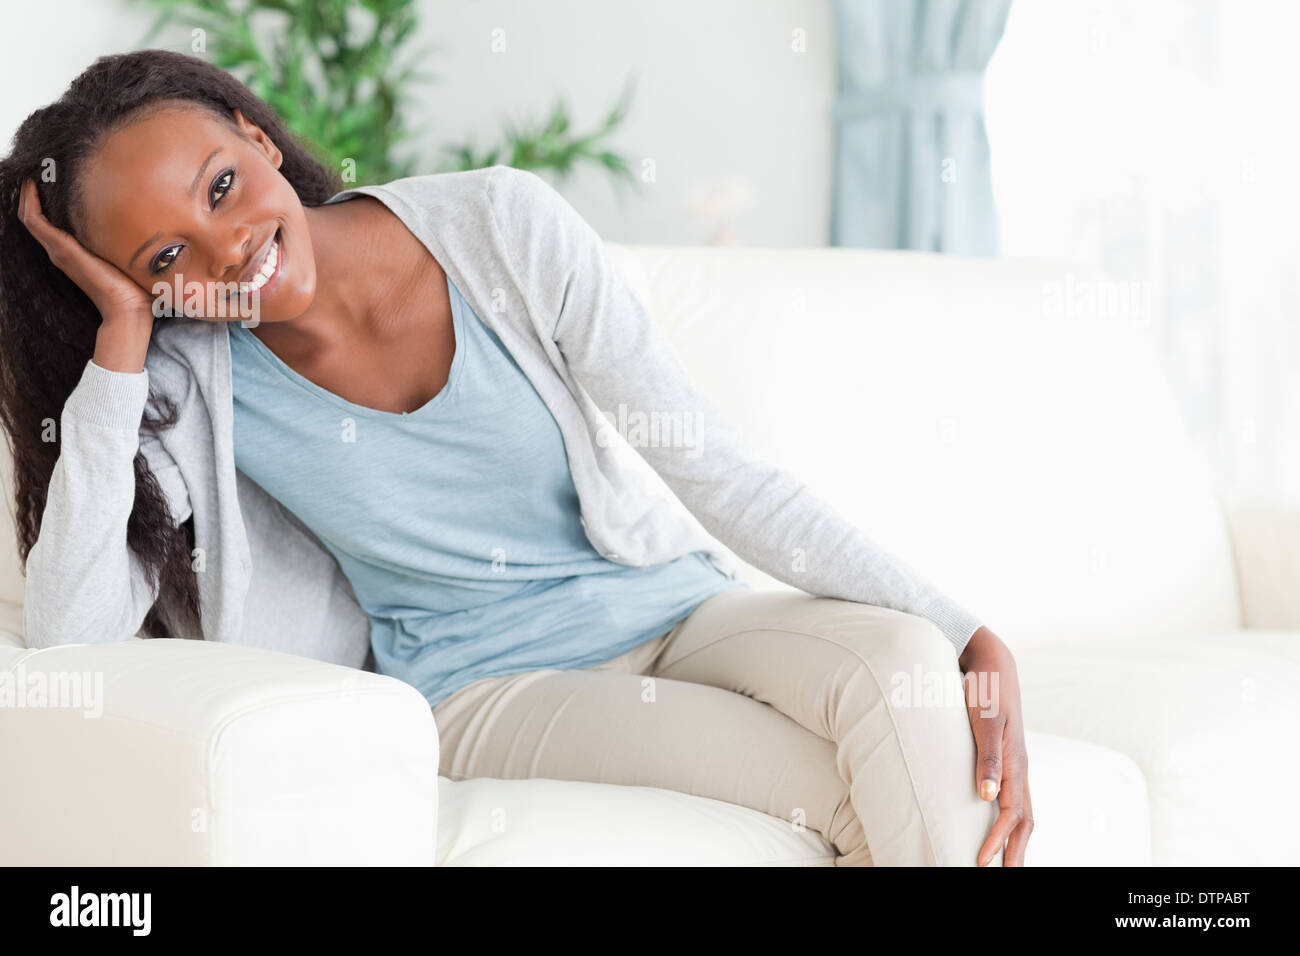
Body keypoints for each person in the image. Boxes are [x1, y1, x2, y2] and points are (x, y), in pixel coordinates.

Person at [0, 49, 1031, 866]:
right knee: (867, 781)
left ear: (258, 139)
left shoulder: (498, 226)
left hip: (672, 604)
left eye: (221, 185)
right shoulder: (185, 385)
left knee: (905, 667)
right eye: (164, 258)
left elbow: (716, 466)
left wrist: (961, 628)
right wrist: (124, 336)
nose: (225, 250)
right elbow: (67, 631)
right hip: (489, 682)